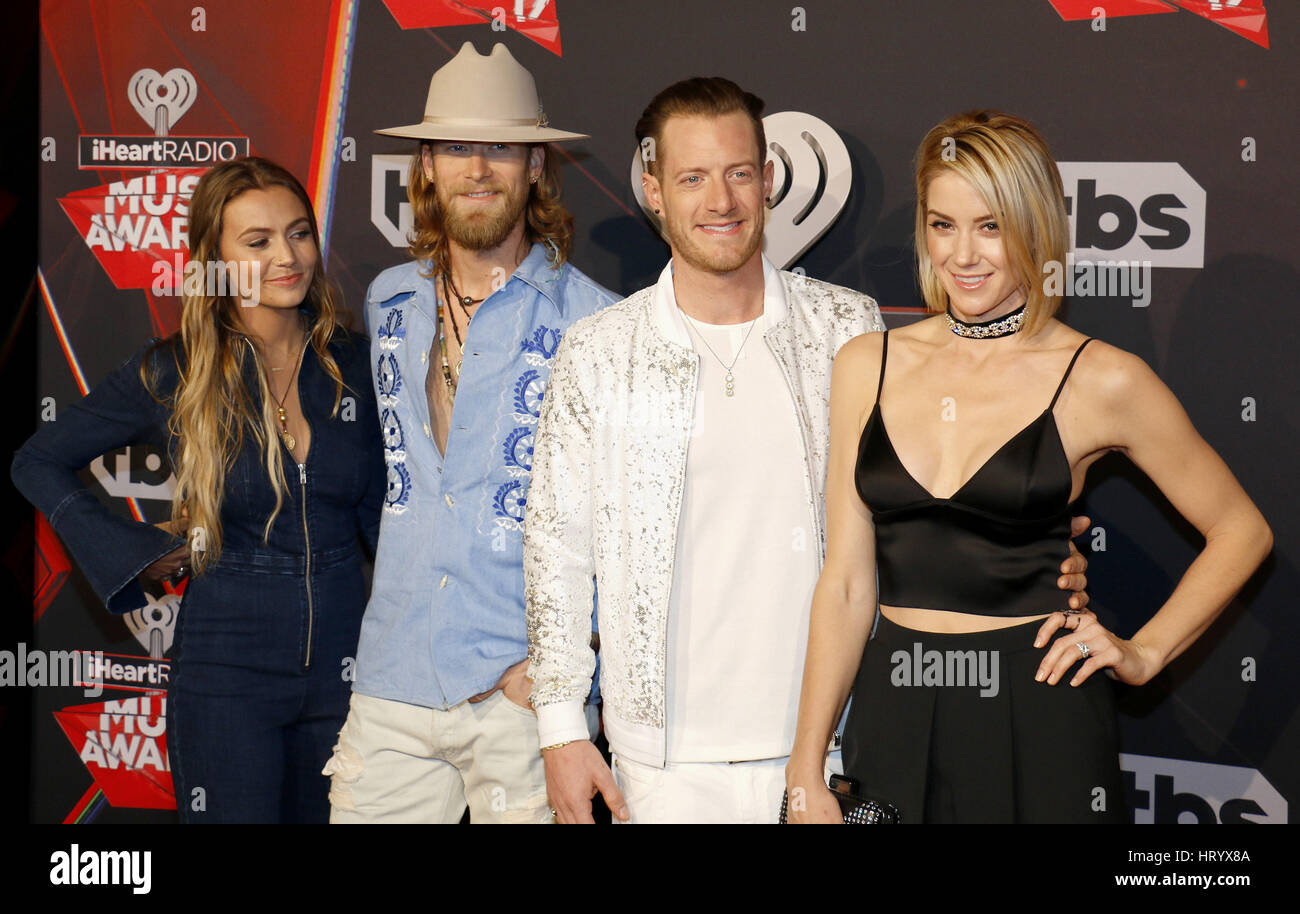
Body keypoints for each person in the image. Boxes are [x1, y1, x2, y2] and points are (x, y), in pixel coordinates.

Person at [525, 82, 1094, 824]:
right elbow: (555, 549)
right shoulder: (599, 351)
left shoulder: (846, 329)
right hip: (658, 765)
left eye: (738, 172)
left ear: (767, 181)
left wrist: (1033, 547)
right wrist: (563, 731)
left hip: (837, 744)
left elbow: (931, 487)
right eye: (692, 177)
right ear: (653, 191)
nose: (720, 200)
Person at [785, 110, 1273, 824]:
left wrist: (1144, 652)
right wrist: (806, 764)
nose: (963, 255)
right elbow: (848, 582)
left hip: (1040, 710)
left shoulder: (1101, 378)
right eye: (942, 224)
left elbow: (1241, 529)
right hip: (892, 711)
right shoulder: (868, 363)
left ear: (1035, 228)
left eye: (990, 225)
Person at [11, 156, 385, 823]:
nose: (288, 256)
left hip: (348, 674)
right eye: (258, 241)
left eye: (299, 233)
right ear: (213, 257)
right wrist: (133, 554)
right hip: (225, 678)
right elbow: (37, 460)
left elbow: (392, 523)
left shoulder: (355, 364)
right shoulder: (176, 370)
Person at [321, 42, 617, 824]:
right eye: (456, 146)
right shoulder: (390, 301)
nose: (477, 167)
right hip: (392, 681)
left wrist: (570, 660)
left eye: (500, 148)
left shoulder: (595, 322)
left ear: (537, 170)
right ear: (425, 166)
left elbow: (628, 516)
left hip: (520, 697)